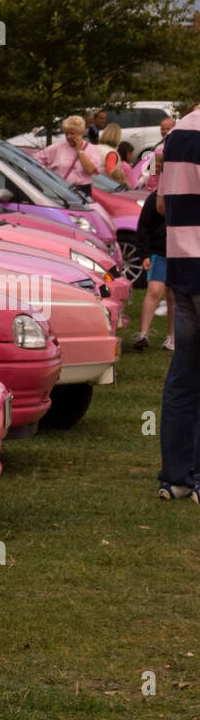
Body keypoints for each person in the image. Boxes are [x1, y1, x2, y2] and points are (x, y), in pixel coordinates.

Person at [156, 110, 200, 502]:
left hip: (184, 267)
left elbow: (163, 205)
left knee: (185, 375)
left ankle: (177, 476)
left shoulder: (179, 132)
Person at [133, 189, 173, 351]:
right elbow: (144, 225)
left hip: (180, 253)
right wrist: (145, 254)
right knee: (154, 291)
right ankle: (142, 334)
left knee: (173, 296)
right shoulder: (156, 197)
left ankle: (172, 338)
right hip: (159, 253)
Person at [32, 115, 98, 194]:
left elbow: (90, 169)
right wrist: (43, 174)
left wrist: (79, 151)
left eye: (72, 133)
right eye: (66, 133)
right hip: (62, 190)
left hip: (83, 191)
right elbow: (34, 159)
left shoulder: (91, 149)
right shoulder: (58, 147)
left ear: (81, 133)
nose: (68, 137)